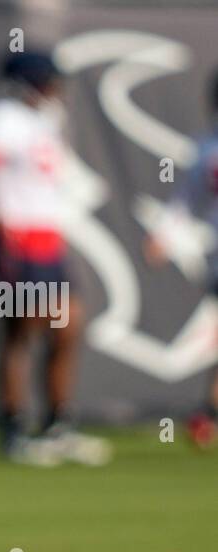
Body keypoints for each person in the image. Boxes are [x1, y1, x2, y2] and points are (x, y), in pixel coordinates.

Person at [0, 50, 110, 466]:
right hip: (17, 237)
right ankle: (12, 429)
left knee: (67, 326)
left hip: (47, 238)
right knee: (22, 331)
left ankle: (58, 423)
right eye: (48, 80)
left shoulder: (45, 121)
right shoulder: (0, 118)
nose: (56, 88)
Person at [144, 69, 218, 449]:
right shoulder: (208, 149)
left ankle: (208, 412)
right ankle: (208, 413)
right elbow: (186, 202)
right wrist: (165, 236)